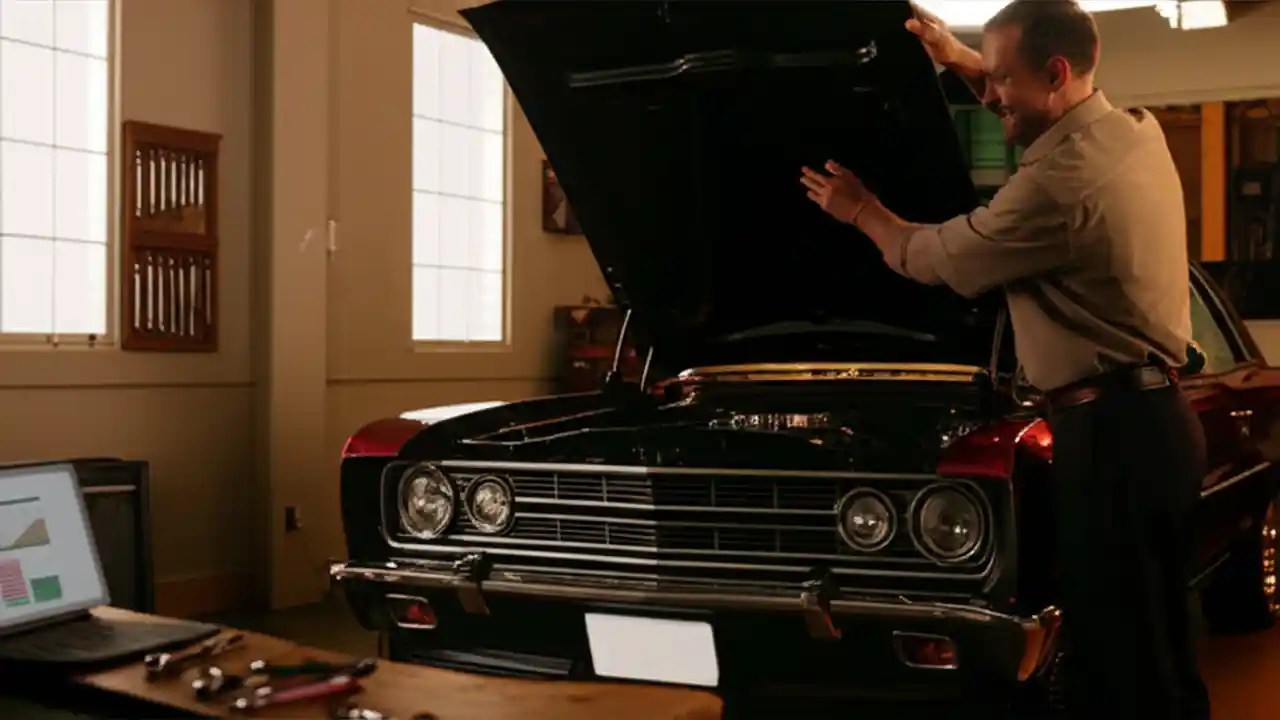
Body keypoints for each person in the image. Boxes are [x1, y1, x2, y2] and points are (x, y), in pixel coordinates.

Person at [799, 1, 1210, 718]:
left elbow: (930, 257)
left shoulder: (1057, 185)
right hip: (1152, 424)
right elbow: (1040, 117)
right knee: (1156, 649)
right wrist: (961, 60)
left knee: (1121, 666)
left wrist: (860, 209)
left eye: (999, 81)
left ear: (1054, 72)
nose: (991, 97)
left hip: (1112, 439)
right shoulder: (1132, 133)